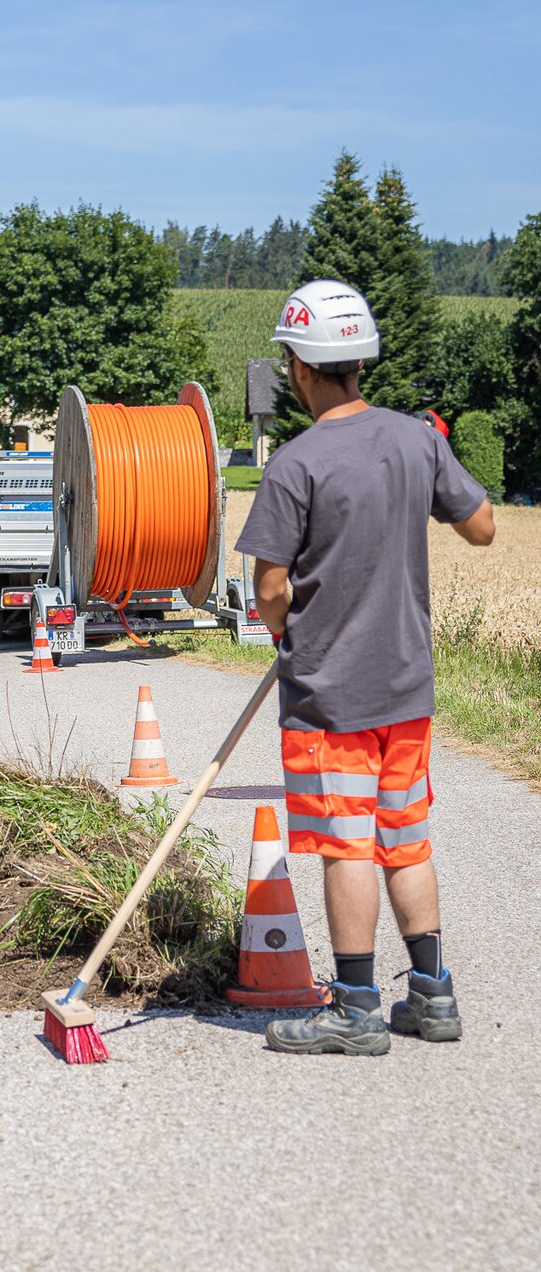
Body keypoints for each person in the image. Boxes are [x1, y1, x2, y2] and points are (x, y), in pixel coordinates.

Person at [237, 279, 495, 1056]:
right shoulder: (418, 439)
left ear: (301, 368)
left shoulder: (294, 463)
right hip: (406, 688)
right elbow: (481, 526)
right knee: (405, 837)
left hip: (333, 697)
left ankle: (353, 1007)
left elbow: (271, 588)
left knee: (347, 843)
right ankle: (432, 993)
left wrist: (290, 635)